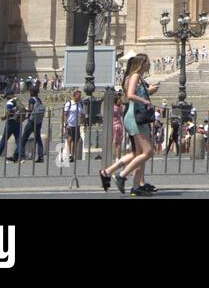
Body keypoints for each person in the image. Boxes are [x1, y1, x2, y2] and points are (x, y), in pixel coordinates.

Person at [100, 53, 159, 196]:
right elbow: (131, 95)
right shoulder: (134, 76)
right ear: (142, 63)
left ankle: (135, 187)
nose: (150, 64)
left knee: (138, 153)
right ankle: (121, 175)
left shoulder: (135, 77)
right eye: (148, 62)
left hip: (136, 115)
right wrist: (146, 102)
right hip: (135, 116)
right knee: (148, 151)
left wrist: (148, 92)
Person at [0, 96, 22, 163]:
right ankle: (21, 157)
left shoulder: (10, 102)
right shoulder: (17, 100)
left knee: (4, 140)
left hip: (10, 122)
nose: (6, 98)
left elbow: (8, 111)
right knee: (18, 140)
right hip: (17, 122)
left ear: (8, 95)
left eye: (6, 96)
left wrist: (4, 117)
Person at [21, 84, 46, 163]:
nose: (29, 92)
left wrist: (25, 109)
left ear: (32, 92)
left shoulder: (31, 99)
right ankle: (41, 157)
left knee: (24, 138)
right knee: (38, 139)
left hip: (32, 122)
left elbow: (31, 109)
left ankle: (20, 155)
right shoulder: (38, 99)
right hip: (38, 121)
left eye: (30, 91)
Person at [63, 89, 86, 162]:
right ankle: (70, 154)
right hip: (70, 124)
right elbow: (65, 114)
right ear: (74, 96)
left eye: (80, 96)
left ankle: (72, 154)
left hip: (77, 125)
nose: (79, 97)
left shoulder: (80, 104)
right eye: (78, 96)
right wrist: (66, 124)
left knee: (76, 140)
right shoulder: (69, 103)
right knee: (70, 138)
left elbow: (82, 115)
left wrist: (85, 124)